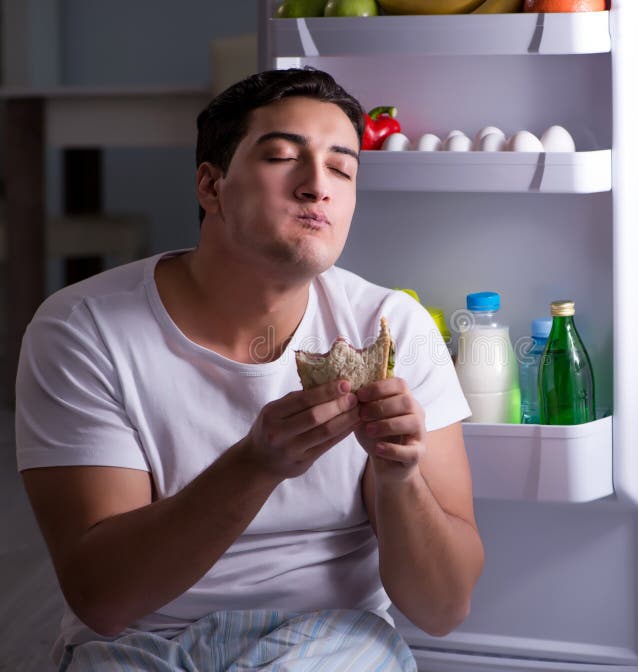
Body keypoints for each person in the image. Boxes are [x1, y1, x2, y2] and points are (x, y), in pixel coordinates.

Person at [15, 67, 484, 671]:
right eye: (285, 157)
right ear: (211, 187)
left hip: (333, 641)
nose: (319, 185)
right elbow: (104, 600)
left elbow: (443, 609)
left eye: (342, 168)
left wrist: (398, 479)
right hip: (138, 644)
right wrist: (255, 465)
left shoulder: (392, 329)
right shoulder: (84, 329)